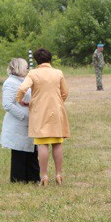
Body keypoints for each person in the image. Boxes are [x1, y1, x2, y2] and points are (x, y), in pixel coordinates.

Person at [15, 48, 70, 186]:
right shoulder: (58, 73)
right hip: (56, 110)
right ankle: (58, 174)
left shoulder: (33, 73)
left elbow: (22, 88)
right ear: (50, 59)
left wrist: (19, 100)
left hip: (39, 112)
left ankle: (44, 176)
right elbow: (65, 92)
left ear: (36, 60)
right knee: (57, 142)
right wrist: (58, 103)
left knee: (42, 143)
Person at [1, 58, 40, 183]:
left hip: (29, 123)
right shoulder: (10, 83)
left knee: (32, 151)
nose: (28, 69)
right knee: (19, 152)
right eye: (26, 67)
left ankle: (33, 178)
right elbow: (7, 104)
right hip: (18, 123)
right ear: (19, 68)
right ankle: (18, 179)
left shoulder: (23, 81)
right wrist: (23, 116)